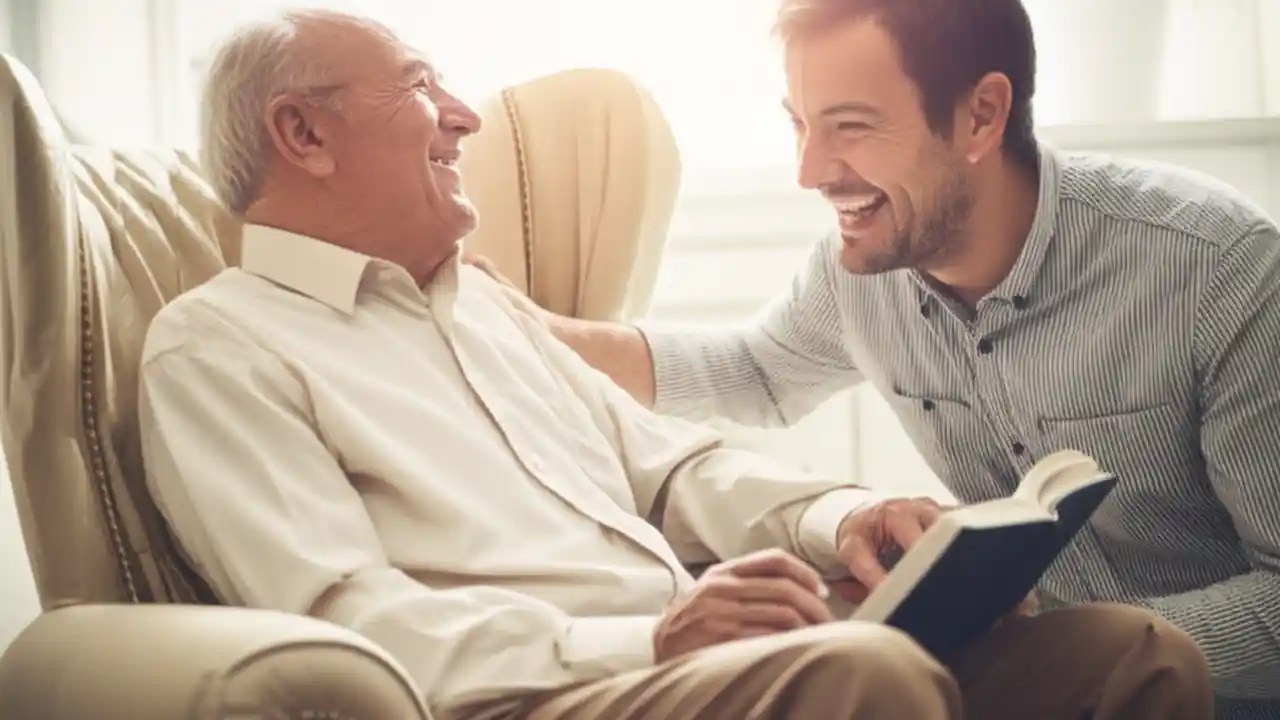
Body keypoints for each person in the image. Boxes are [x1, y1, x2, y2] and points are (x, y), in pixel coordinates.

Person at [139, 8, 1211, 720]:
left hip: (707, 656)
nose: (464, 115)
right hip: (547, 694)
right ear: (301, 133)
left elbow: (674, 470)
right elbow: (345, 624)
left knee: (1132, 655)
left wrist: (840, 518)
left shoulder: (483, 310)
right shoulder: (219, 348)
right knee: (862, 676)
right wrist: (648, 637)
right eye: (422, 86)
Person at [504, 0, 1280, 716]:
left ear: (981, 116)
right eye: (799, 124)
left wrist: (1060, 646)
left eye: (850, 126)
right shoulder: (860, 276)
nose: (809, 171)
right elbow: (753, 370)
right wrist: (514, 327)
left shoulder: (1219, 268)